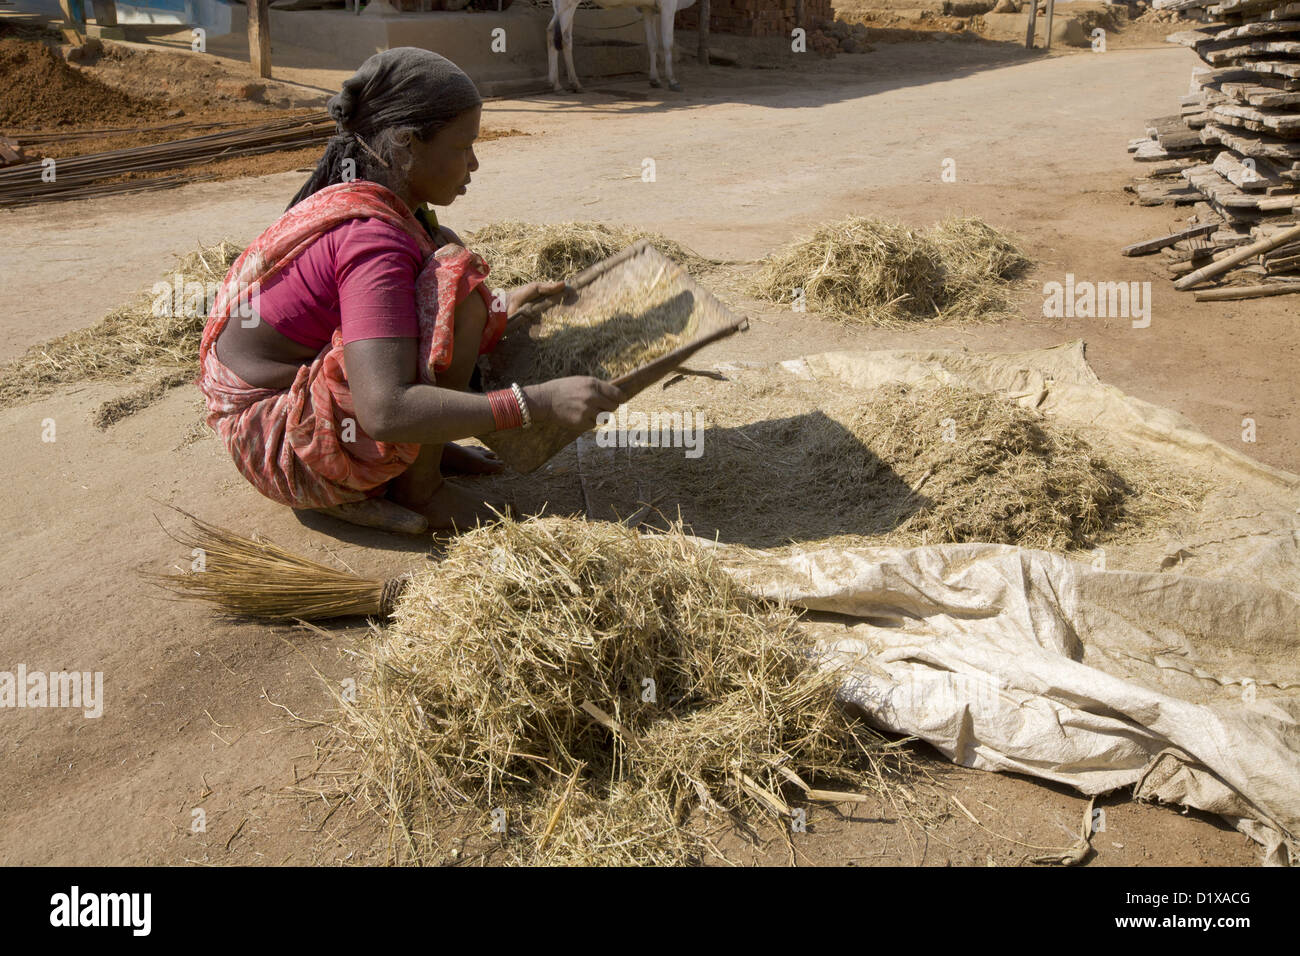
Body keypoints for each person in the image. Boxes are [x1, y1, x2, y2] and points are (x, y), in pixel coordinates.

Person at [197, 48, 624, 534]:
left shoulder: (385, 210)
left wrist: (502, 305)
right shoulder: (371, 241)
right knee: (456, 287)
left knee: (460, 277)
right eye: (463, 147)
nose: (475, 163)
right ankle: (418, 488)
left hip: (290, 405)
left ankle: (427, 451)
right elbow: (385, 410)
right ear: (405, 146)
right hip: (280, 441)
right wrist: (534, 404)